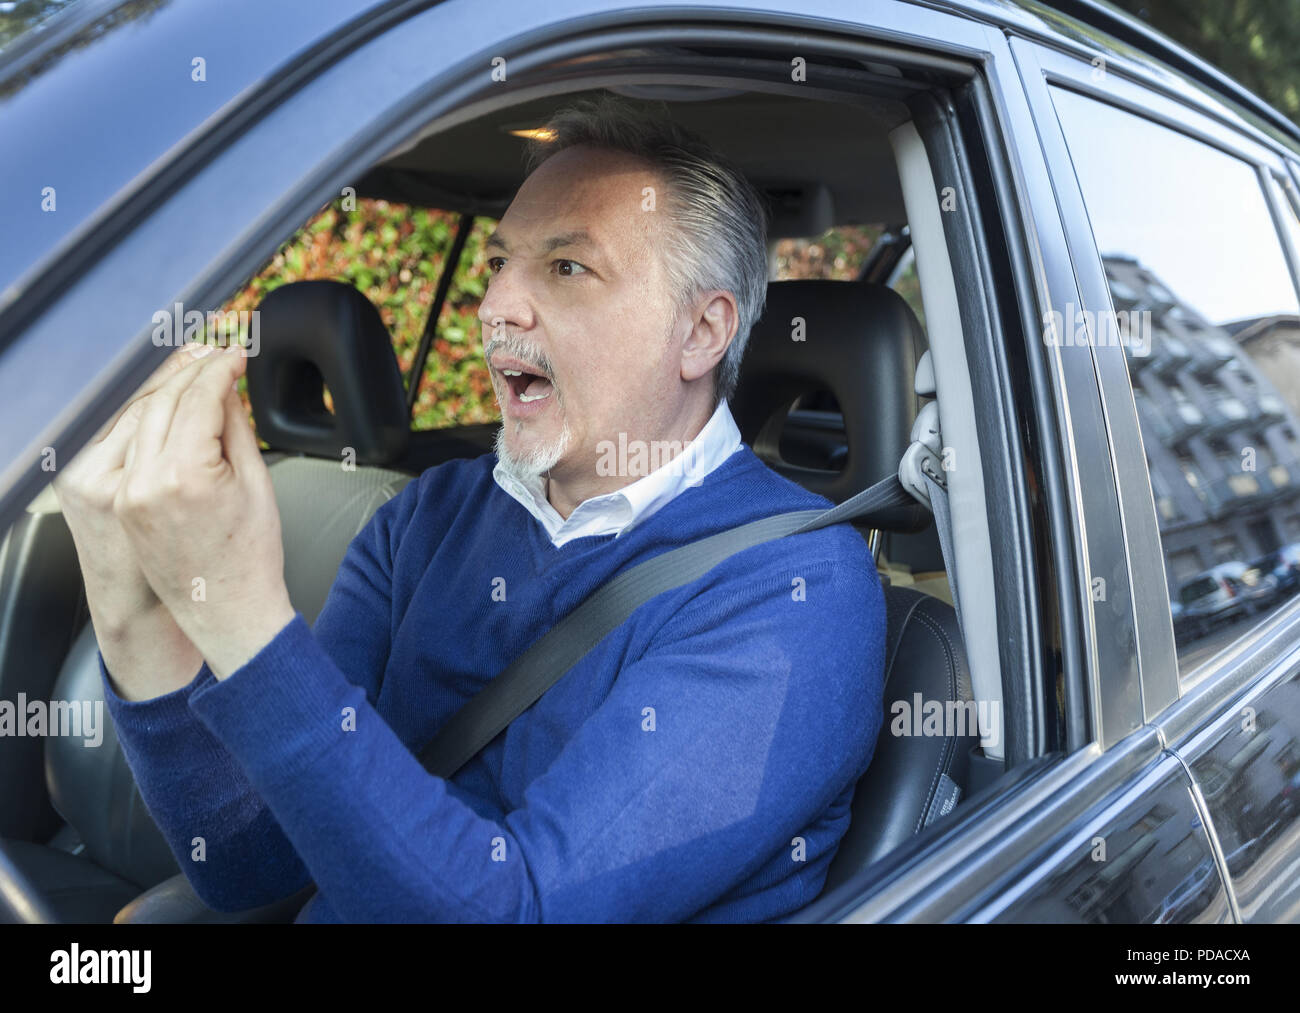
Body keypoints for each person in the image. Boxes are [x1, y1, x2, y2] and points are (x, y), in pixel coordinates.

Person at [53, 96, 886, 922]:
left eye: (566, 267)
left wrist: (244, 613)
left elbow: (513, 912)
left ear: (702, 332)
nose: (494, 309)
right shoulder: (431, 515)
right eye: (497, 265)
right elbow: (249, 862)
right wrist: (129, 604)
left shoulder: (799, 592)